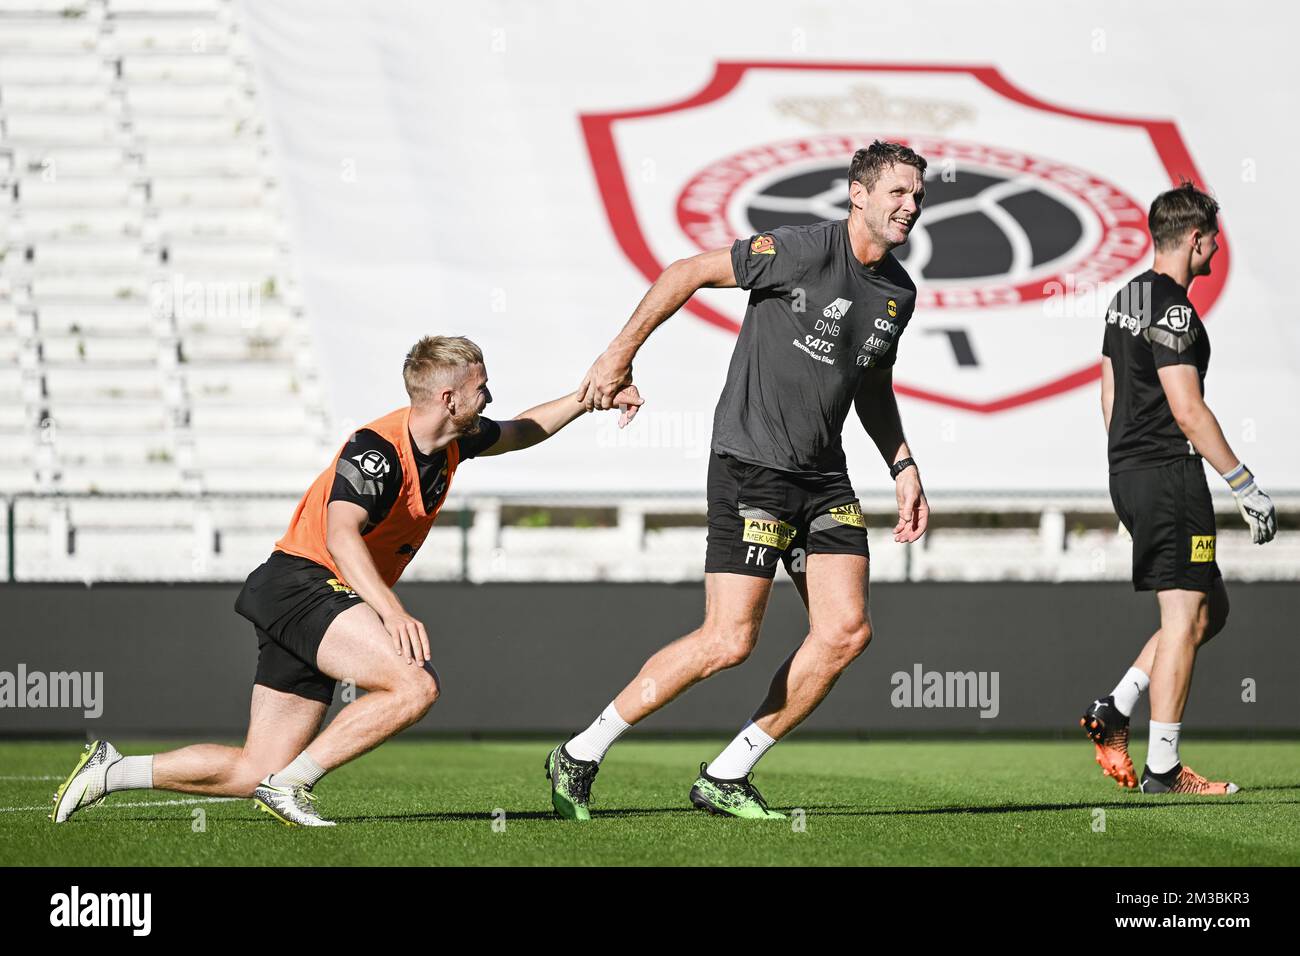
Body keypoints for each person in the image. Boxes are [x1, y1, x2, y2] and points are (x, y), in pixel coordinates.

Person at [52, 335, 640, 826]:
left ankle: (114, 770)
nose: (488, 396)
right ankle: (293, 787)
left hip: (318, 595)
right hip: (304, 583)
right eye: (480, 387)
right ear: (447, 396)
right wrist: (391, 610)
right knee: (415, 687)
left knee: (253, 769)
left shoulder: (455, 439)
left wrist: (590, 397)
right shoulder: (377, 449)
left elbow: (524, 430)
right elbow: (340, 536)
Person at [545, 140, 930, 820]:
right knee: (729, 640)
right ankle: (580, 751)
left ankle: (728, 773)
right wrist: (617, 357)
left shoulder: (899, 292)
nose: (911, 204)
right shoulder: (800, 250)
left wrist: (902, 462)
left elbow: (870, 380)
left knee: (846, 632)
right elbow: (684, 271)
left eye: (918, 195)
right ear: (858, 195)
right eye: (898, 192)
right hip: (750, 466)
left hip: (825, 479)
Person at [1082, 182, 1275, 795]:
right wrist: (1245, 484)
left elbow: (1109, 394)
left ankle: (1116, 706)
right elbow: (1189, 411)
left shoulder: (1124, 297)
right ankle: (1164, 769)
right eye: (1213, 236)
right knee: (1186, 612)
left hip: (1132, 474)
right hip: (1169, 475)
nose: (1217, 247)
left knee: (1207, 610)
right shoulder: (1173, 311)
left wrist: (1125, 473)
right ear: (1195, 239)